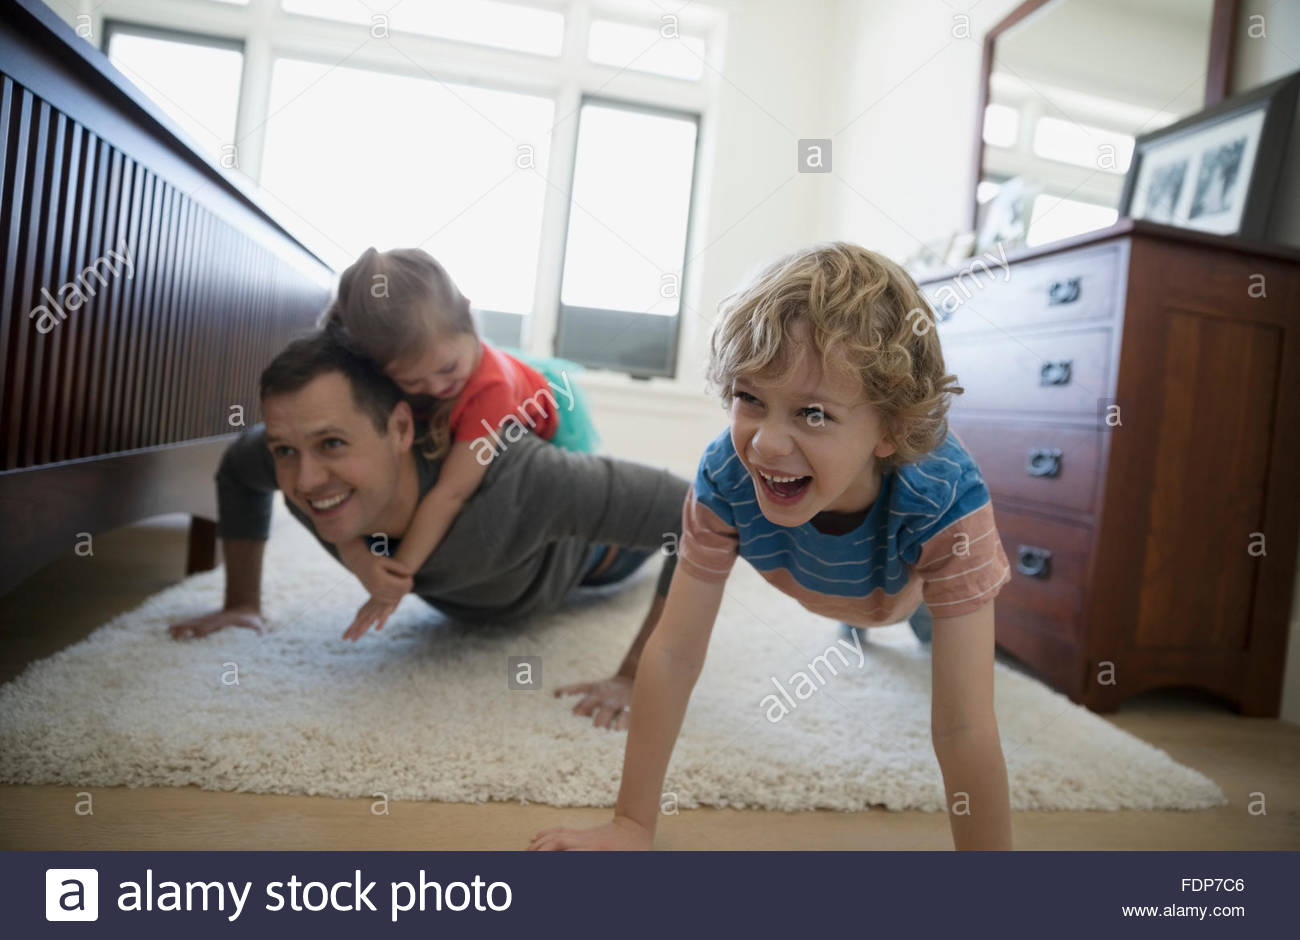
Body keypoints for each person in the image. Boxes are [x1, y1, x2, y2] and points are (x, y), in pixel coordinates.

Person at [530, 242, 1014, 849]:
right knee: (853, 620)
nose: (765, 444)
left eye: (812, 413)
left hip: (901, 586)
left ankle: (870, 628)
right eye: (750, 398)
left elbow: (964, 725)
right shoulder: (725, 476)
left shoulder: (946, 504)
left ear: (890, 429)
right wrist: (631, 824)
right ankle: (853, 628)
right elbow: (675, 651)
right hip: (820, 578)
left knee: (933, 648)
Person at [168, 326, 688, 731]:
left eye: (332, 444)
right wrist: (241, 602)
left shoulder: (521, 478)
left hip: (591, 560)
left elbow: (691, 514)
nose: (304, 480)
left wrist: (635, 675)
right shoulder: (290, 456)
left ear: (400, 428)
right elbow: (239, 466)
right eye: (286, 451)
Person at [321, 247, 602, 635]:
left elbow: (451, 493)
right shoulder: (414, 368)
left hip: (536, 426)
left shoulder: (492, 388)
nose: (435, 388)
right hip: (466, 414)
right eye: (414, 383)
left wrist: (397, 577)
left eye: (447, 369)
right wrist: (356, 555)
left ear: (469, 318)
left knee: (545, 508)